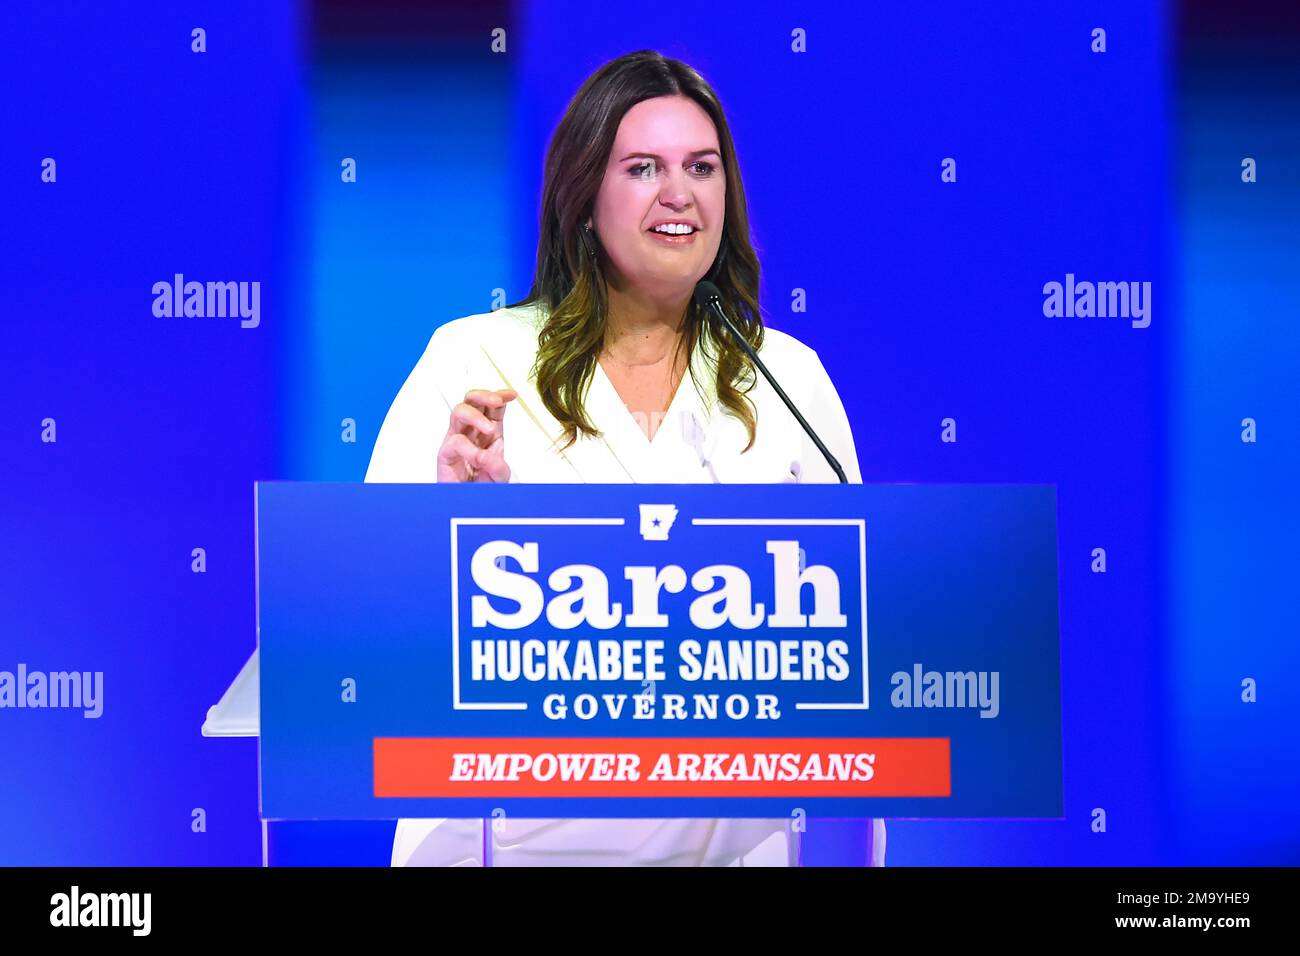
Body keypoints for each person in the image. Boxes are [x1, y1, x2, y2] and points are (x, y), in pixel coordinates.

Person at [364, 50, 885, 866]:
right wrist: (455, 518)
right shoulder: (474, 360)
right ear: (585, 196)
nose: (679, 193)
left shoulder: (787, 379)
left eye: (701, 168)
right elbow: (363, 623)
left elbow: (867, 640)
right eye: (643, 167)